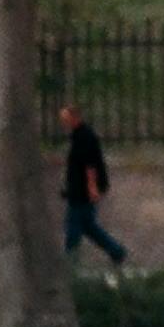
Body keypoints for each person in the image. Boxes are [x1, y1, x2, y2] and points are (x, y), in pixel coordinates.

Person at [60, 103, 128, 266]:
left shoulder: (85, 136)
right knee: (88, 226)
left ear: (75, 117)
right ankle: (116, 251)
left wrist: (92, 188)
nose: (63, 122)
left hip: (82, 191)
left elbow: (90, 165)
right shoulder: (78, 135)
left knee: (73, 226)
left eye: (65, 118)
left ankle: (71, 260)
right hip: (78, 188)